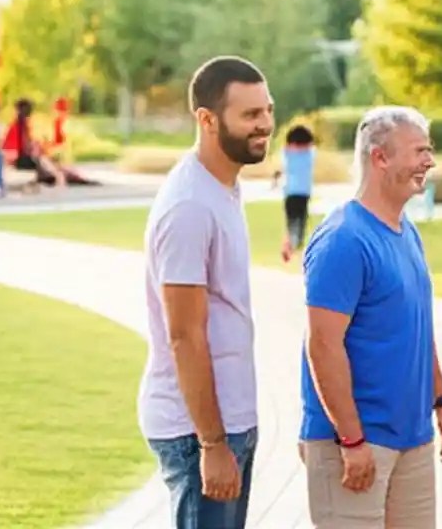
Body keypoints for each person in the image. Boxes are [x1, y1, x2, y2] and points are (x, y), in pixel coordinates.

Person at [300, 105, 442, 529]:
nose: (429, 161)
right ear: (380, 158)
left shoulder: (406, 231)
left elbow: (416, 328)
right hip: (354, 441)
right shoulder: (343, 239)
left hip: (412, 438)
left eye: (429, 150)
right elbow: (322, 345)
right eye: (419, 151)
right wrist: (351, 439)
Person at [139, 55, 274, 529]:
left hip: (230, 421)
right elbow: (184, 335)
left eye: (268, 110)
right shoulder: (189, 206)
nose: (265, 125)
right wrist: (212, 444)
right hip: (197, 432)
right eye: (250, 114)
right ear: (207, 119)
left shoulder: (222, 186)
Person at [273, 123, 316, 262]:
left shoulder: (287, 154)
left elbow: (280, 166)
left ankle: (289, 247)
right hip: (304, 193)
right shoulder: (310, 154)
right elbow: (310, 146)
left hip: (290, 193)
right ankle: (293, 247)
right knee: (301, 222)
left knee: (291, 223)